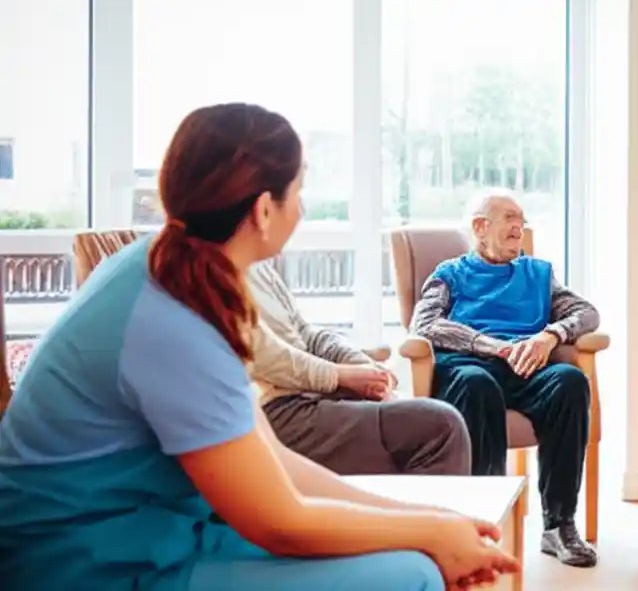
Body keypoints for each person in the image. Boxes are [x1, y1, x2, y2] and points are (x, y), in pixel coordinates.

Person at [0, 103, 517, 591]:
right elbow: (278, 520)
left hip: (149, 528)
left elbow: (275, 461)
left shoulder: (168, 272)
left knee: (414, 554)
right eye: (298, 190)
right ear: (264, 210)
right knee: (413, 574)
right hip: (82, 561)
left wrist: (422, 520)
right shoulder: (171, 318)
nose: (303, 206)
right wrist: (427, 537)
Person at [410, 189, 600, 568]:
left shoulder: (538, 273)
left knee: (569, 382)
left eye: (522, 220)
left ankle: (559, 525)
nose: (519, 228)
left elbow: (587, 312)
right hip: (469, 367)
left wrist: (550, 336)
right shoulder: (450, 274)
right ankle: (485, 523)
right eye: (510, 218)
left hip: (526, 367)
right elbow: (425, 324)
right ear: (480, 227)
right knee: (478, 386)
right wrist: (489, 345)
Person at [247, 262, 471, 475]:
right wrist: (340, 376)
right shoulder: (223, 274)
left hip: (309, 394)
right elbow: (268, 358)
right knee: (440, 427)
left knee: (424, 417)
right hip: (277, 411)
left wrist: (360, 365)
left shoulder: (257, 267)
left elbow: (305, 333)